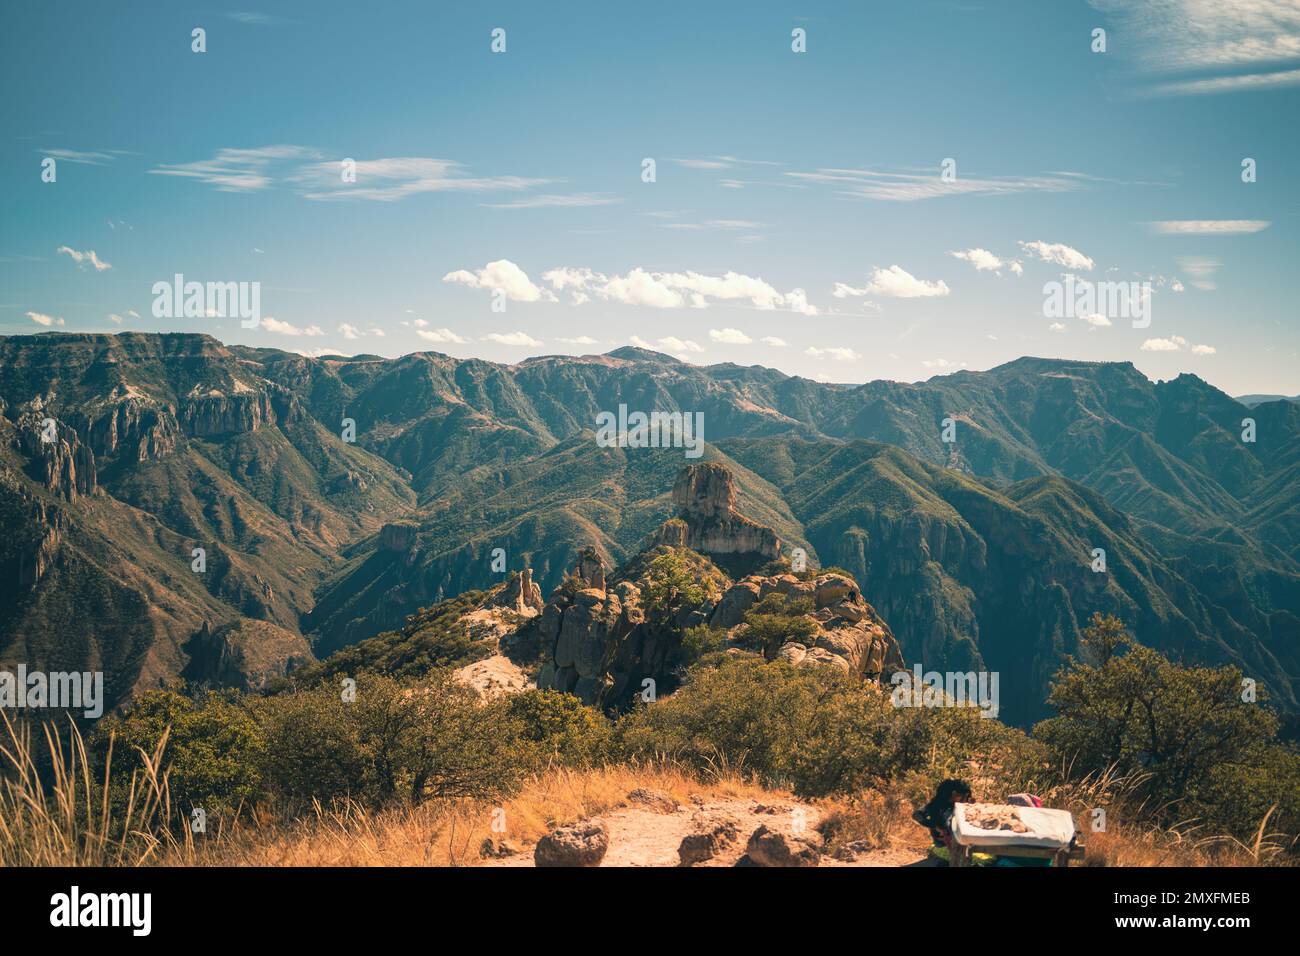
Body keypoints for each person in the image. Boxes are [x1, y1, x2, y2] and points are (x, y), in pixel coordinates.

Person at [913, 779, 973, 862]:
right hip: (944, 846)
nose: (964, 799)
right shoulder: (937, 806)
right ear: (954, 794)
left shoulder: (955, 805)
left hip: (957, 844)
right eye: (963, 796)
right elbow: (916, 814)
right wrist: (934, 826)